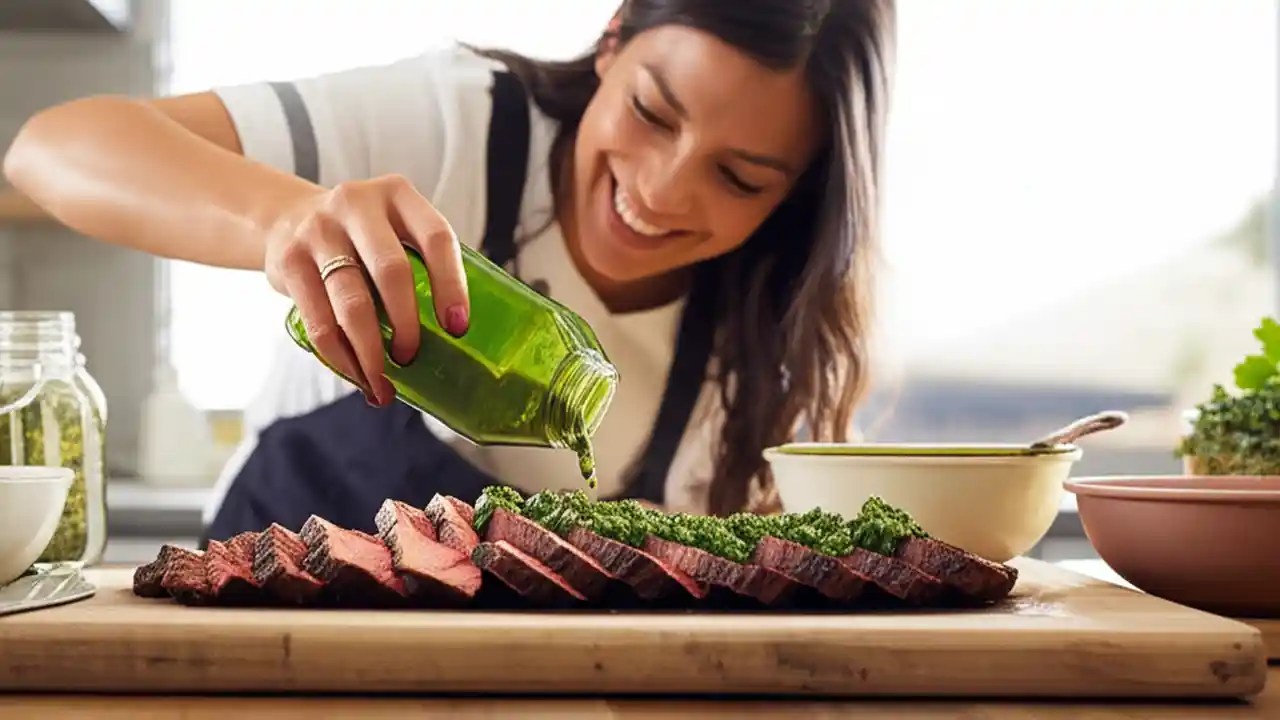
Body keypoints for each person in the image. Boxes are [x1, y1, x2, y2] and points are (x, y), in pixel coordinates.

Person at [3, 0, 895, 541]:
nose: (661, 193)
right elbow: (50, 150)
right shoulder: (454, 128)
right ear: (613, 41)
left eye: (739, 177)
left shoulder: (764, 359)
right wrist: (284, 219)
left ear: (799, 193)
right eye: (652, 112)